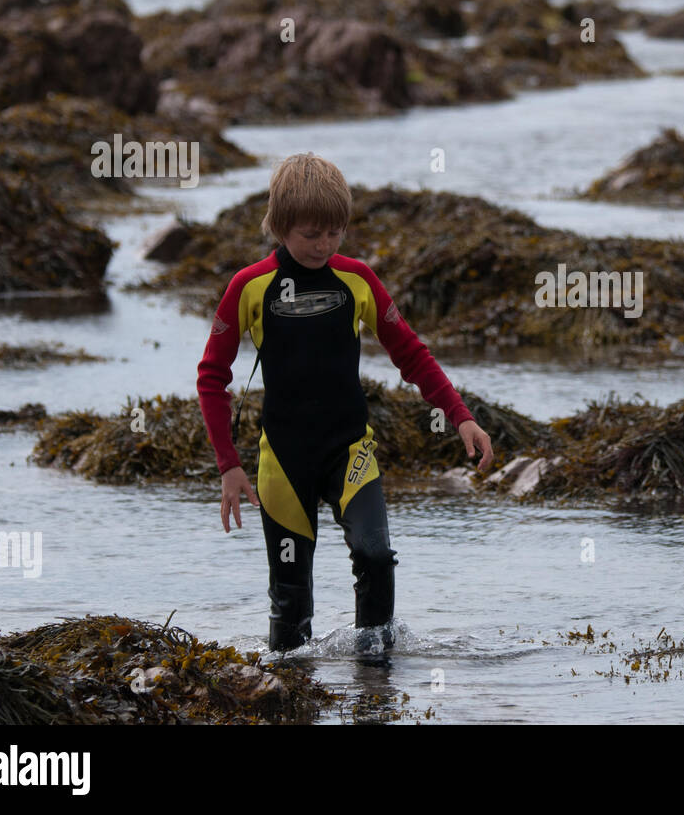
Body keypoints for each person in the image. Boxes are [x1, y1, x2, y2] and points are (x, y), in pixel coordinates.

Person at [196, 153, 494, 656]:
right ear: (281, 224)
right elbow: (211, 377)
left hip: (350, 450)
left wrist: (459, 414)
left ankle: (375, 683)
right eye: (312, 233)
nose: (324, 245)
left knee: (375, 556)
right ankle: (291, 698)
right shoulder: (249, 287)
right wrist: (229, 466)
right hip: (284, 463)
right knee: (290, 605)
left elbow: (411, 354)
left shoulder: (357, 279)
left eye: (335, 232)